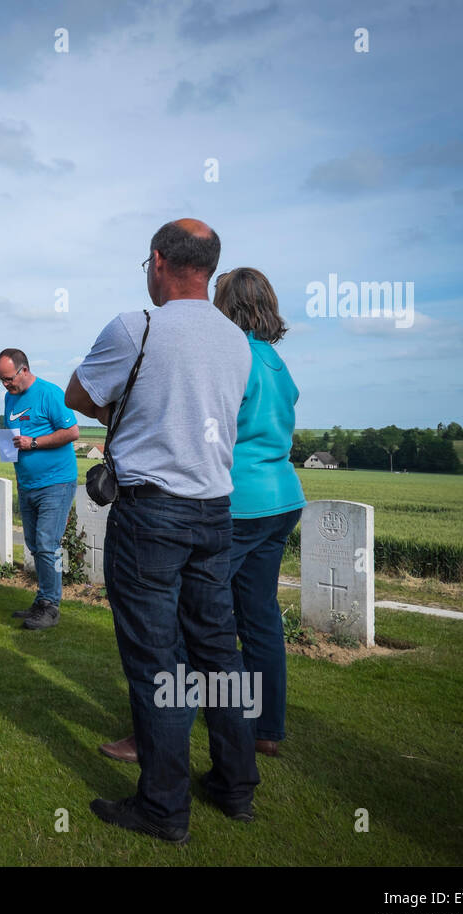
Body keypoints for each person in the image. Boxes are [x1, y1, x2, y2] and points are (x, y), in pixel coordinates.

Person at [65, 218, 257, 844]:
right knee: (217, 655)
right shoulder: (237, 340)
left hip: (152, 511)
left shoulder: (136, 326)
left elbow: (78, 393)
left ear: (157, 262)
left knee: (156, 663)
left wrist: (120, 408)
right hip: (215, 510)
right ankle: (234, 786)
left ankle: (164, 807)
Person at [215, 267, 306, 757]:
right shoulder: (275, 361)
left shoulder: (234, 358)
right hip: (282, 499)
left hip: (240, 503)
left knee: (199, 613)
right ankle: (266, 728)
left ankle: (160, 727)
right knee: (260, 616)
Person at [0, 348, 80, 630]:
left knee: (47, 544)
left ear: (24, 370)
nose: (6, 384)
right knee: (34, 544)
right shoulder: (10, 398)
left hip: (56, 481)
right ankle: (43, 599)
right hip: (28, 483)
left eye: (8, 378)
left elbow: (72, 432)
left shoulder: (50, 393)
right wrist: (9, 449)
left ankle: (51, 606)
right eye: (1, 380)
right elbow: (14, 437)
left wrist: (33, 443)